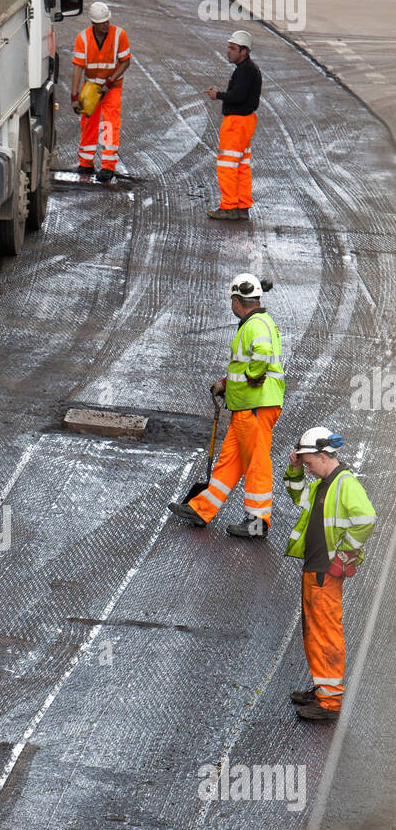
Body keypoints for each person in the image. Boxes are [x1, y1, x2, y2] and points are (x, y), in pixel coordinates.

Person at [169, 273, 284, 538]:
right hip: (247, 406)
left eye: (232, 299)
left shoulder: (255, 325)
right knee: (229, 460)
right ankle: (202, 508)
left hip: (256, 406)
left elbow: (262, 354)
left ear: (237, 299)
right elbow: (245, 364)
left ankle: (257, 523)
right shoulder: (256, 322)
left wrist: (254, 375)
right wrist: (226, 383)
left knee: (256, 463)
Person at [283, 428, 376, 721]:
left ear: (324, 457)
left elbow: (366, 518)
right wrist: (295, 469)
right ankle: (323, 688)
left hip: (326, 571)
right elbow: (296, 495)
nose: (307, 468)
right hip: (314, 569)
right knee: (314, 632)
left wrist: (346, 554)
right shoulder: (323, 483)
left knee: (325, 633)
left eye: (309, 462)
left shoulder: (344, 484)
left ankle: (330, 702)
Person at [70, 0, 131, 183]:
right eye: (102, 23)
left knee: (110, 125)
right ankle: (86, 163)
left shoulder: (119, 35)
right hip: (91, 87)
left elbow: (125, 62)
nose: (106, 25)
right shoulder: (83, 38)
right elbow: (78, 68)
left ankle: (107, 166)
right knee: (88, 123)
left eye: (107, 21)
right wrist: (74, 96)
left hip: (111, 87)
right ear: (93, 24)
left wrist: (109, 82)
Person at [204, 28, 261, 221]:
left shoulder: (245, 71)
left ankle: (228, 206)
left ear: (243, 51)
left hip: (236, 122)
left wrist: (217, 95)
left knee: (227, 165)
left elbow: (238, 96)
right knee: (242, 165)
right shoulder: (249, 69)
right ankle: (242, 206)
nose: (228, 51)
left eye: (232, 48)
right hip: (246, 121)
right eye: (228, 47)